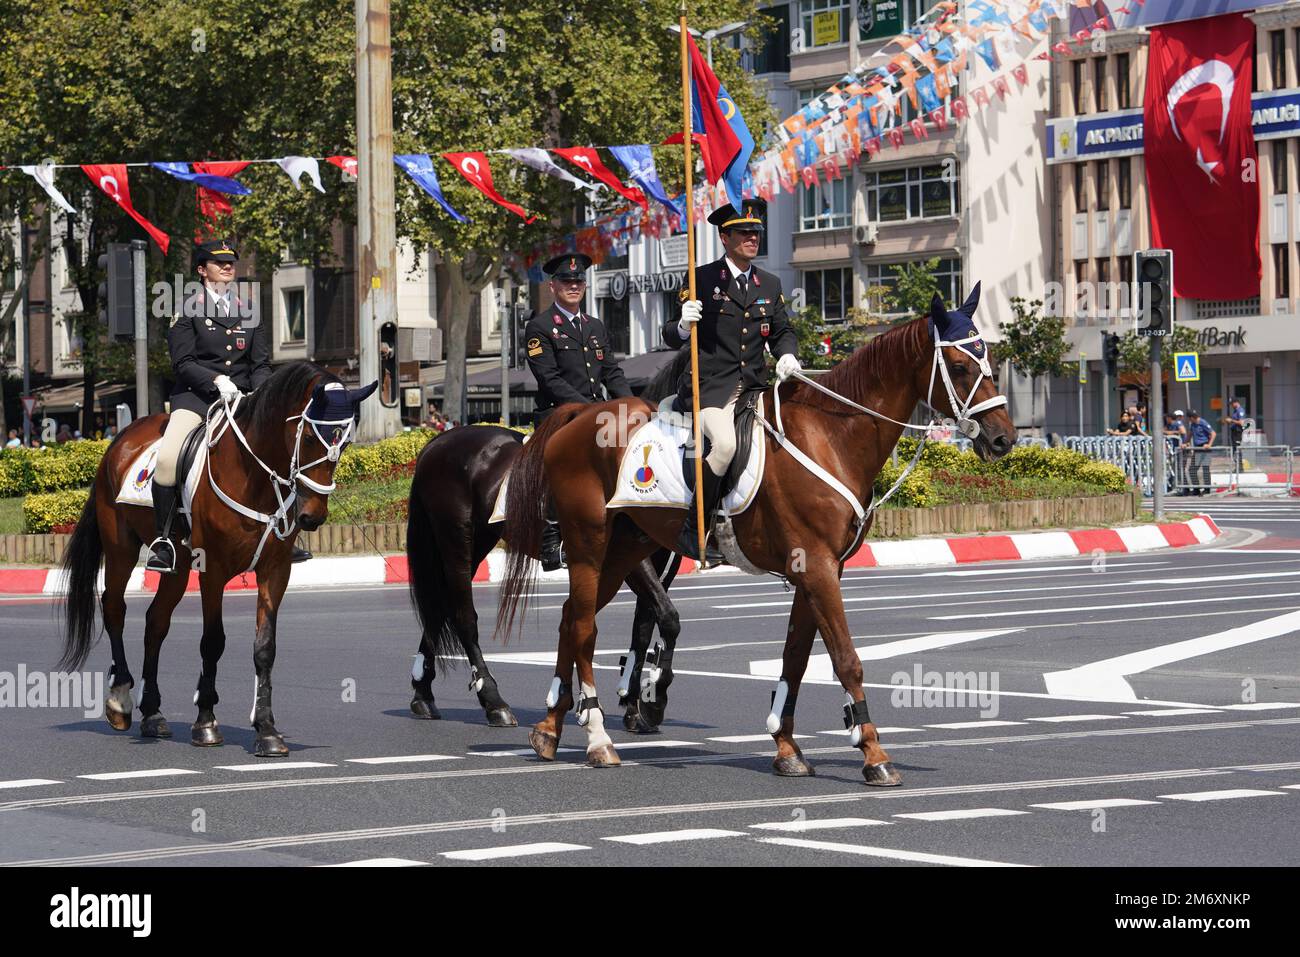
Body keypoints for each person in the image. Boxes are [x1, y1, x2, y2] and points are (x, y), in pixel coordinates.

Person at [153, 239, 306, 572]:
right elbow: (183, 362)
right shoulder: (185, 307)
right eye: (218, 262)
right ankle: (164, 540)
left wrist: (265, 396)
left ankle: (286, 532)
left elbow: (261, 363)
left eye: (231, 263)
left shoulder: (248, 310)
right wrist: (215, 381)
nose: (227, 267)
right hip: (197, 399)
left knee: (284, 451)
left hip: (244, 401)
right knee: (167, 460)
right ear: (201, 270)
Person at [662, 199, 799, 554]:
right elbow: (668, 335)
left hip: (755, 387)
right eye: (744, 233)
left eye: (756, 233)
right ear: (725, 237)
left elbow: (782, 330)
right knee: (724, 446)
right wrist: (682, 323)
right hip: (710, 389)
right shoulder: (701, 279)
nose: (753, 238)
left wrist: (787, 354)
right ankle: (696, 527)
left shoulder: (768, 283)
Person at [524, 252, 633, 570]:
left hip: (595, 413)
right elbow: (548, 378)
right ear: (552, 286)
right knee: (549, 467)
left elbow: (611, 373)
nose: (573, 285)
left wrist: (632, 407)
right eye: (566, 281)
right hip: (559, 414)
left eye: (578, 281)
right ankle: (550, 538)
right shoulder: (540, 327)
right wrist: (587, 409)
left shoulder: (595, 326)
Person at [1187, 410, 1216, 495]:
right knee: (1192, 469)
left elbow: (1213, 433)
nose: (1189, 420)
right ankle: (1196, 489)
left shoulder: (1202, 422)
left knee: (1205, 469)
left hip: (1204, 448)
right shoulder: (1192, 424)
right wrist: (1185, 442)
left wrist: (1209, 444)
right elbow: (1190, 434)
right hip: (1197, 448)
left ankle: (1207, 489)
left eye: (1189, 418)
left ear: (1192, 418)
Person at [1165, 409, 1188, 494]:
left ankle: (1185, 487)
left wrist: (1172, 433)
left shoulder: (1178, 424)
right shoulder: (1169, 425)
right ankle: (1170, 485)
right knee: (1173, 468)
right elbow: (1163, 430)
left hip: (1180, 450)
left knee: (1180, 468)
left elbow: (1183, 431)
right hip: (1173, 450)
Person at [1221, 398, 1246, 470]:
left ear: (1236, 402)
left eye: (1232, 404)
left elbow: (1241, 423)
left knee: (1237, 449)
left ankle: (1240, 468)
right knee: (1235, 450)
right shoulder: (1235, 411)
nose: (1231, 405)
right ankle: (1237, 467)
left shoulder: (1240, 410)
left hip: (1237, 432)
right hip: (1234, 432)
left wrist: (1231, 420)